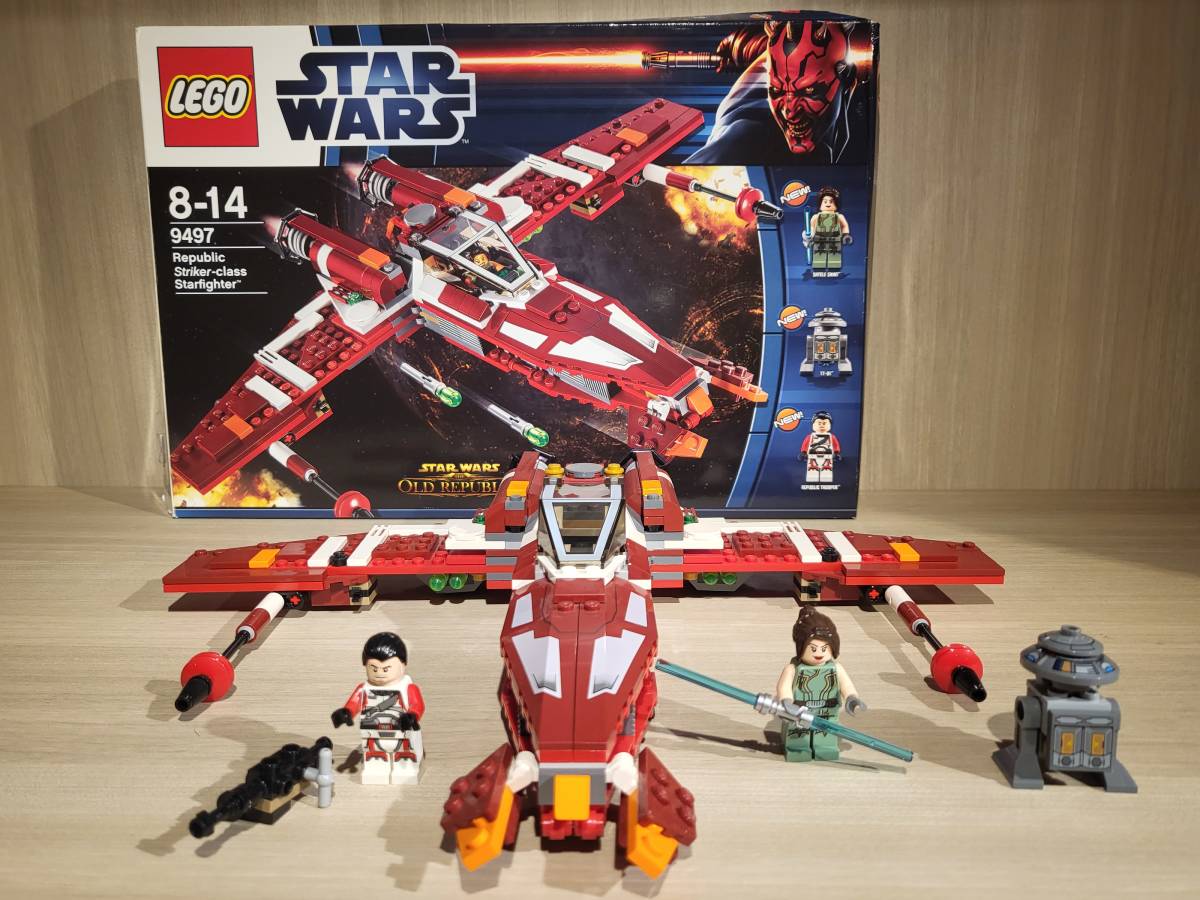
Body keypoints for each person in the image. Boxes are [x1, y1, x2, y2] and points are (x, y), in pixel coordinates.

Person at [332, 631, 425, 784]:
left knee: (405, 754)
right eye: (374, 669)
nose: (379, 674)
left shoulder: (407, 687)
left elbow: (417, 704)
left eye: (386, 669)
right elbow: (354, 703)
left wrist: (412, 715)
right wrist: (346, 712)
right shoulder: (364, 688)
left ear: (402, 665)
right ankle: (376, 767)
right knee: (374, 755)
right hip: (372, 731)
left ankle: (406, 768)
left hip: (402, 730)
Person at [774, 606, 864, 761]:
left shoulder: (836, 668)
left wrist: (851, 698)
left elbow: (846, 685)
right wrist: (787, 701)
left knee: (825, 732)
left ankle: (825, 747)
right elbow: (784, 687)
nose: (819, 654)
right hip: (799, 710)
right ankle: (798, 748)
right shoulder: (793, 669)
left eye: (824, 648)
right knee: (798, 732)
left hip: (827, 710)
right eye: (813, 649)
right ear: (801, 646)